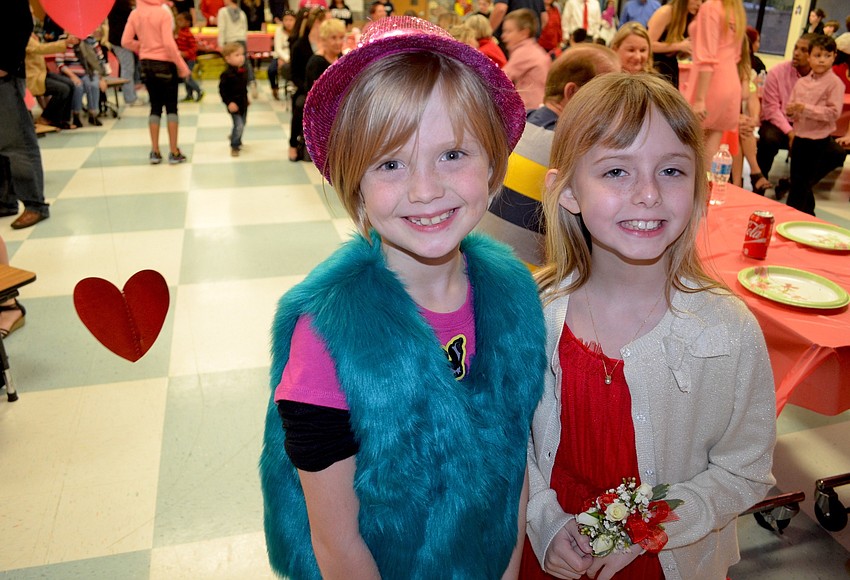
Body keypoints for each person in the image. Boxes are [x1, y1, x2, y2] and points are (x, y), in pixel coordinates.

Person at [259, 15, 544, 580]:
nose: (425, 189)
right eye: (390, 163)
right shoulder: (329, 336)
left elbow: (516, 467)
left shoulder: (514, 296)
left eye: (453, 154)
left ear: (493, 164)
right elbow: (336, 544)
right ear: (355, 183)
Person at [525, 72, 776, 580]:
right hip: (549, 550)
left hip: (667, 561)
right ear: (567, 191)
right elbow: (512, 443)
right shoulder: (531, 311)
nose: (647, 194)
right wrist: (544, 520)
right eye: (616, 171)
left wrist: (647, 528)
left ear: (700, 189)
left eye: (671, 170)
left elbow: (744, 470)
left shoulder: (728, 333)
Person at [479, 44, 620, 267]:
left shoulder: (521, 125)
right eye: (609, 96)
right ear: (572, 93)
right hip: (524, 282)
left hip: (477, 267)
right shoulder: (573, 150)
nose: (618, 107)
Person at [0, 0, 51, 229]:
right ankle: (5, 200)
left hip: (5, 76)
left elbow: (21, 23)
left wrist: (6, 65)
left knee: (18, 142)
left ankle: (35, 205)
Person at [123, 0, 191, 165]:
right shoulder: (163, 13)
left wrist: (143, 47)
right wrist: (183, 67)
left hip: (146, 64)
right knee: (171, 108)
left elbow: (125, 41)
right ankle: (174, 152)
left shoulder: (135, 13)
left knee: (155, 107)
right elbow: (168, 44)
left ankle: (155, 151)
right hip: (165, 64)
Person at [785, 35, 846, 216]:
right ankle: (808, 215)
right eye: (817, 55)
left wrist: (805, 109)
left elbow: (833, 113)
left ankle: (791, 216)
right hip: (800, 138)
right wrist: (792, 111)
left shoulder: (835, 83)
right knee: (798, 183)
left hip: (818, 141)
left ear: (834, 57)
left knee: (802, 185)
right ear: (809, 57)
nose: (821, 60)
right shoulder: (801, 82)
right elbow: (791, 108)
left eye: (827, 56)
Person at [683, 0, 746, 169]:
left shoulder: (711, 7)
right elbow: (736, 55)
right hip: (730, 80)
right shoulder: (735, 10)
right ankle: (705, 184)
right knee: (711, 146)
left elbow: (707, 56)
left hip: (710, 83)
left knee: (690, 144)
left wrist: (700, 99)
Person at [756, 34, 814, 199]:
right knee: (769, 139)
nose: (796, 53)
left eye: (803, 50)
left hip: (805, 125)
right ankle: (758, 185)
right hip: (778, 123)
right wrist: (790, 132)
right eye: (796, 48)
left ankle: (792, 184)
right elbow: (771, 109)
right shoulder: (777, 72)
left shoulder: (820, 79)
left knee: (835, 152)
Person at [289, 7, 327, 161]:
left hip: (326, 91)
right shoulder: (299, 45)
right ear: (317, 23)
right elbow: (294, 75)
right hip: (305, 89)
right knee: (300, 105)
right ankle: (292, 144)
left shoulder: (327, 45)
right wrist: (310, 91)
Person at [25, 33, 80, 130]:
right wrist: (65, 42)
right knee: (63, 89)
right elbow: (40, 49)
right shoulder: (22, 37)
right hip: (32, 77)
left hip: (41, 72)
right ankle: (46, 118)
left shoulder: (30, 35)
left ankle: (63, 120)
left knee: (70, 84)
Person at [55, 34, 110, 127]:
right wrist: (72, 76)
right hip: (69, 73)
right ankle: (76, 114)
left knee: (93, 85)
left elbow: (100, 60)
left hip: (88, 72)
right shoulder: (62, 42)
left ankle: (93, 114)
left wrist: (101, 78)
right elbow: (60, 63)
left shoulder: (90, 41)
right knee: (78, 87)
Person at [503, 8, 552, 109]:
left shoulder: (523, 53)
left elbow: (498, 79)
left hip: (531, 111)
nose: (503, 36)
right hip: (541, 106)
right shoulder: (535, 49)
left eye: (508, 31)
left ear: (524, 33)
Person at [647, 0, 698, 88]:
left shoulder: (688, 17)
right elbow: (649, 44)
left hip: (671, 68)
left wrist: (687, 49)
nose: (699, 4)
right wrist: (679, 46)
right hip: (654, 67)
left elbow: (679, 54)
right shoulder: (666, 12)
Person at [218, 0, 257, 98]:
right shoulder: (242, 13)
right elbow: (245, 28)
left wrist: (220, 44)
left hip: (229, 41)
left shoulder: (223, 12)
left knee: (230, 65)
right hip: (241, 40)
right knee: (245, 62)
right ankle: (251, 82)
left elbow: (222, 29)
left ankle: (231, 87)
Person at [108, 0, 141, 107]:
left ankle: (131, 96)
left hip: (120, 40)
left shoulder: (119, 5)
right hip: (120, 42)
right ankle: (130, 99)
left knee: (128, 68)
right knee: (127, 68)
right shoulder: (120, 6)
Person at [219, 43, 249, 157]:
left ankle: (235, 136)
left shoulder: (243, 71)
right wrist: (229, 103)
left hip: (243, 103)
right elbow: (222, 91)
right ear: (228, 58)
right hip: (233, 105)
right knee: (239, 124)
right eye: (237, 55)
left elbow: (243, 88)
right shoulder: (226, 74)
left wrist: (247, 98)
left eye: (242, 54)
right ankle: (234, 145)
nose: (241, 57)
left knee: (243, 123)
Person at [176, 12, 204, 101]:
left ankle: (199, 90)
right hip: (183, 59)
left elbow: (194, 47)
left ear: (188, 22)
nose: (178, 23)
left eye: (181, 21)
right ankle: (189, 95)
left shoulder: (188, 34)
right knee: (185, 77)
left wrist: (186, 53)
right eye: (178, 21)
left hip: (190, 60)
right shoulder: (179, 32)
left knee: (187, 77)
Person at [268, 10, 296, 100]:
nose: (288, 22)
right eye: (286, 20)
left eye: (291, 20)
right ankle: (274, 87)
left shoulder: (297, 30)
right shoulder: (279, 30)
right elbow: (278, 48)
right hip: (280, 56)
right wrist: (286, 58)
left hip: (294, 57)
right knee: (271, 70)